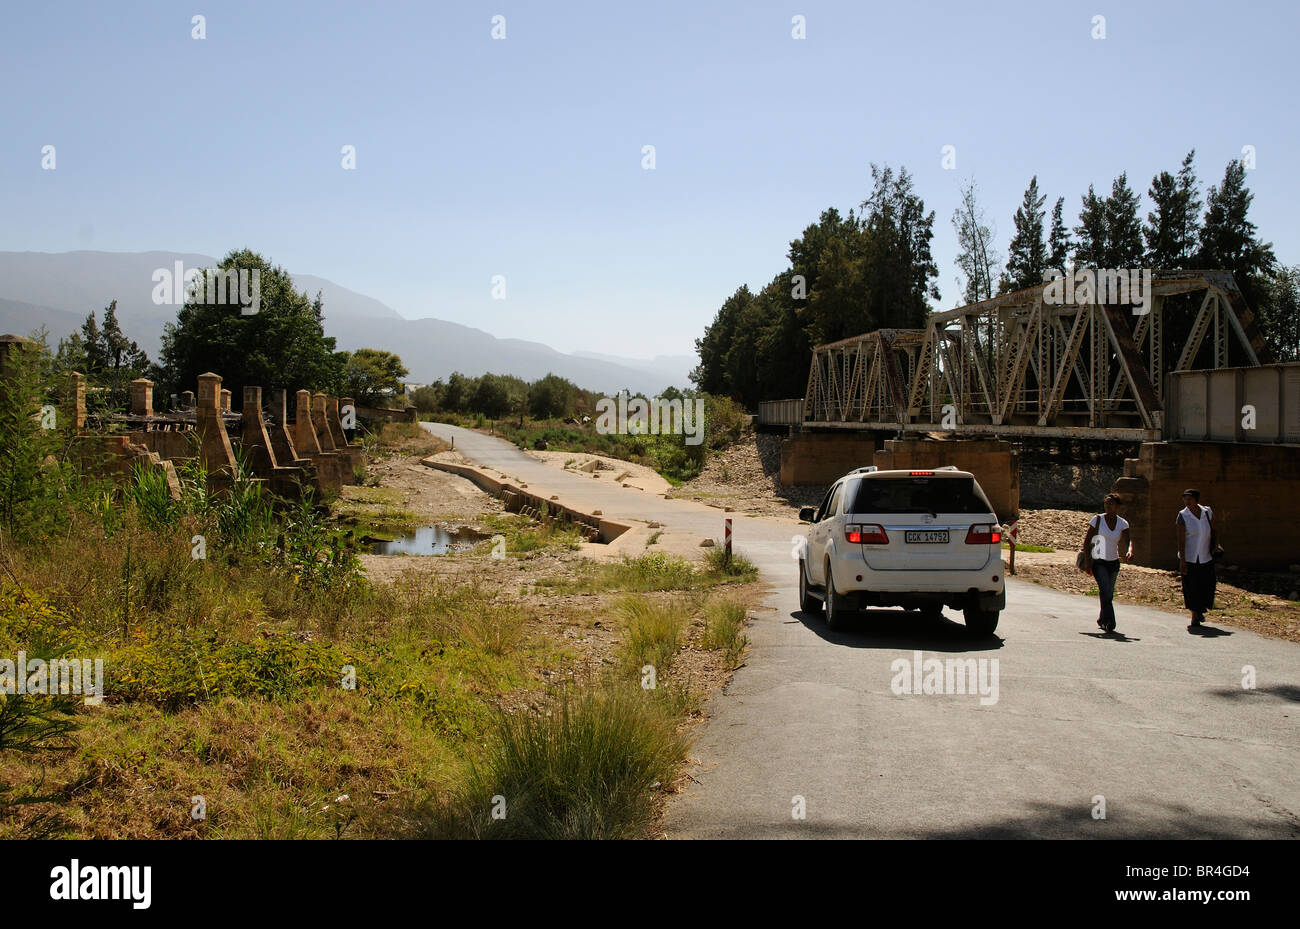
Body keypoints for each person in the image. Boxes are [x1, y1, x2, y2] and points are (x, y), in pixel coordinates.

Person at [1082, 493, 1133, 633]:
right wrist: (1087, 562)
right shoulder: (1097, 520)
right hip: (1099, 560)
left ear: (1117, 506)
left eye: (1111, 503)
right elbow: (1087, 541)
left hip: (1114, 562)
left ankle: (1101, 619)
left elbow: (1129, 540)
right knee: (1105, 590)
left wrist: (1129, 551)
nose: (1108, 506)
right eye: (1106, 503)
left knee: (1108, 593)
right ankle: (1110, 622)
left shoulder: (1123, 523)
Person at [1176, 488, 1221, 631]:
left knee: (1207, 585)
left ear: (1196, 500)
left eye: (1190, 499)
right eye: (1185, 499)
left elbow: (1214, 530)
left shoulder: (1207, 512)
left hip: (1205, 556)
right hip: (1190, 557)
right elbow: (1181, 541)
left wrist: (1216, 544)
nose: (1187, 501)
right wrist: (1182, 561)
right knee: (1191, 587)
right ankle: (1194, 615)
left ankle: (1200, 609)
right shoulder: (1183, 515)